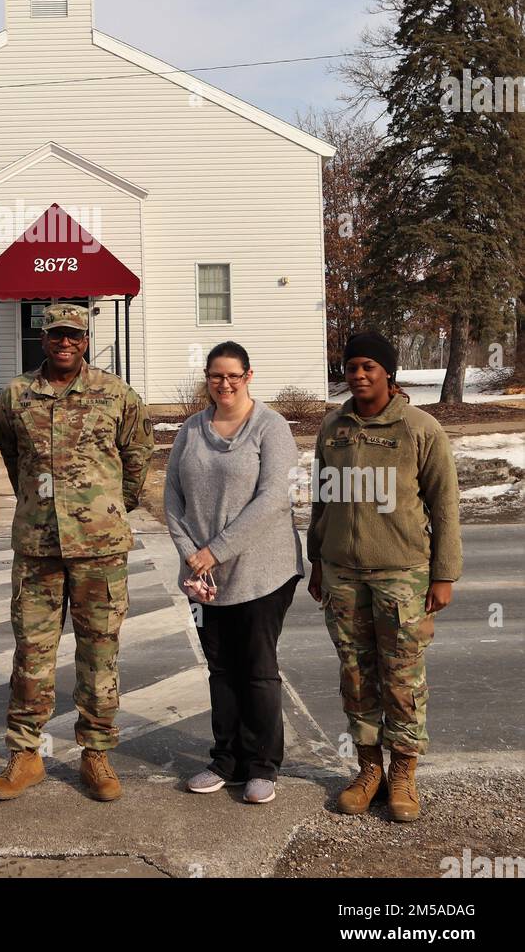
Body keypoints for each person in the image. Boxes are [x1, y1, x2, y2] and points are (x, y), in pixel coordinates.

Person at [0, 304, 155, 803]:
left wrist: (106, 506)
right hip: (38, 547)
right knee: (32, 654)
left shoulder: (116, 394)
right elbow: (12, 456)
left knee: (99, 652)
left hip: (100, 549)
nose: (65, 342)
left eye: (75, 336)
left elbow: (137, 458)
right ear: (43, 338)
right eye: (57, 334)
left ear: (86, 340)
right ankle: (25, 753)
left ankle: (96, 752)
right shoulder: (16, 396)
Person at [307, 331, 462, 822]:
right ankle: (368, 767)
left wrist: (444, 575)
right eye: (352, 367)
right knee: (356, 675)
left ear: (388, 373)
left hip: (401, 573)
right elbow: (321, 500)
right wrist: (316, 559)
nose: (358, 375)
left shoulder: (419, 428)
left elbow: (445, 507)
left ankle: (404, 774)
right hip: (342, 574)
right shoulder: (333, 428)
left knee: (401, 677)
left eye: (369, 367)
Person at [164, 341, 303, 805]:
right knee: (220, 669)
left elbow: (272, 500)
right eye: (215, 376)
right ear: (207, 378)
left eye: (233, 376)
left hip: (262, 571)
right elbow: (172, 498)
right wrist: (192, 555)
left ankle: (263, 765)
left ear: (249, 375)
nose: (224, 384)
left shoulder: (270, 427)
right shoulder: (191, 428)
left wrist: (215, 551)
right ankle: (226, 759)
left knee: (257, 669)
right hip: (204, 575)